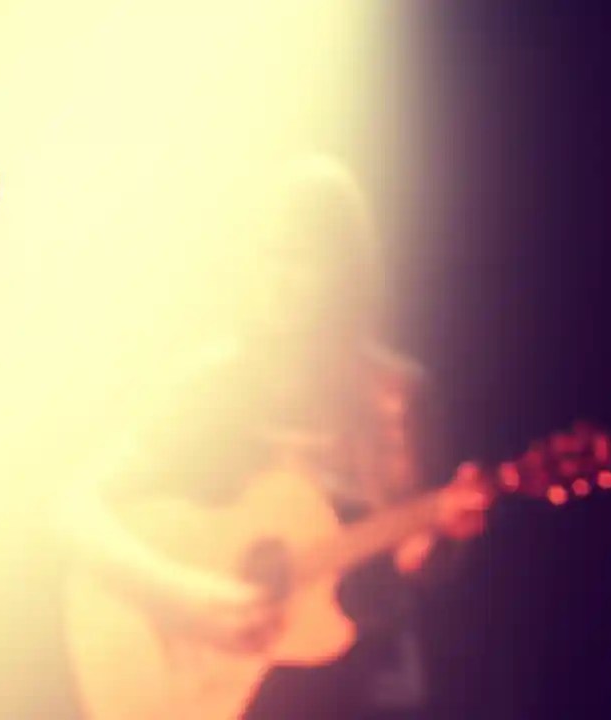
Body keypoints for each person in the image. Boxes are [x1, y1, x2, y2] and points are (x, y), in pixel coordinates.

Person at [60, 155, 490, 718]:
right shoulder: (215, 384)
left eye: (297, 257)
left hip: (351, 685)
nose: (275, 276)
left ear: (342, 271)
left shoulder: (397, 397)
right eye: (263, 255)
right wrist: (181, 597)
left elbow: (420, 567)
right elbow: (72, 507)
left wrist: (441, 532)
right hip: (214, 678)